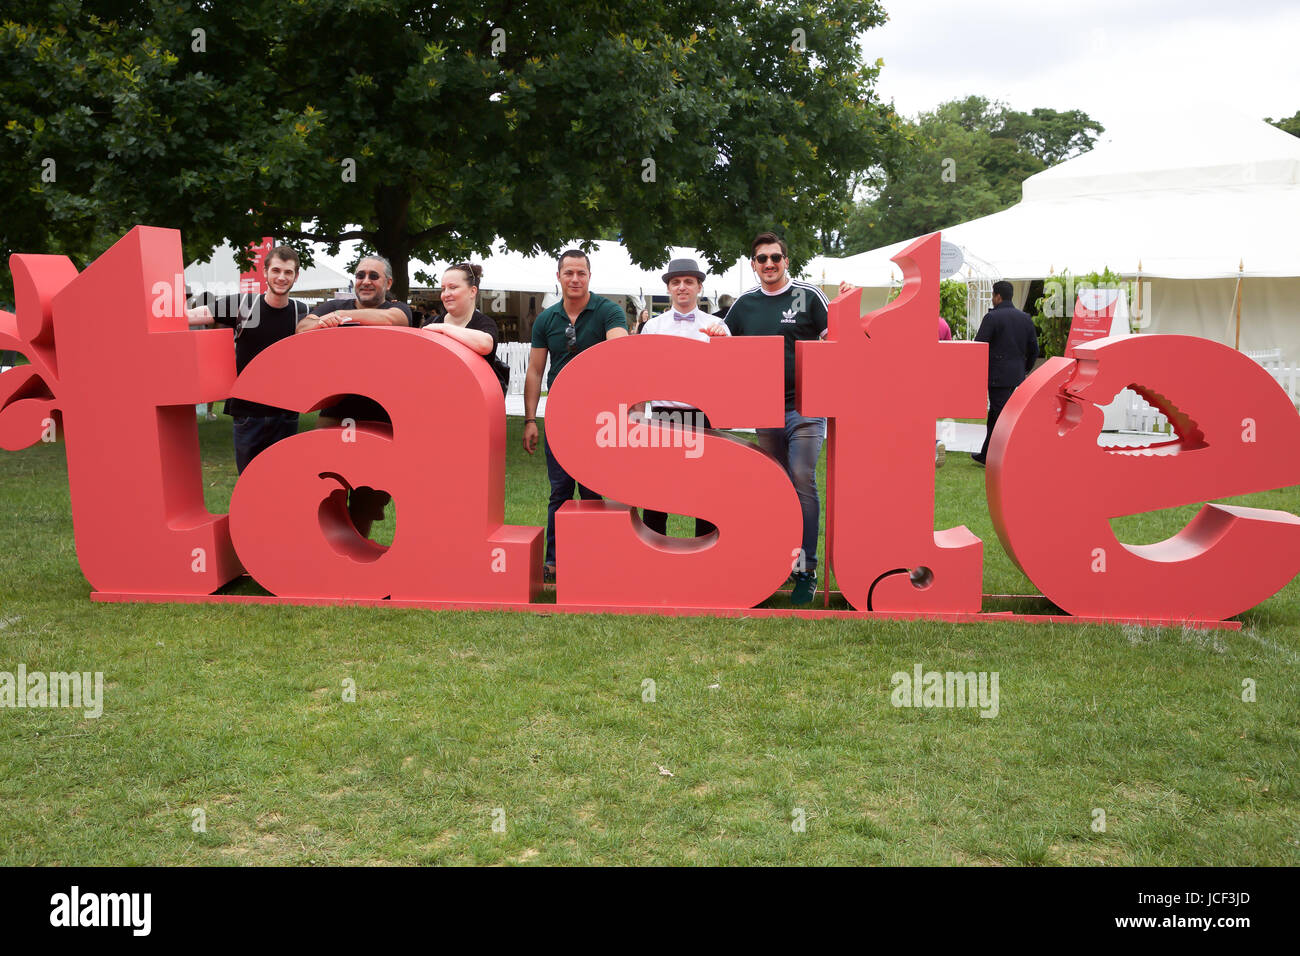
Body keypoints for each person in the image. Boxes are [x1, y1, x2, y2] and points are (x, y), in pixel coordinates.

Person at [725, 231, 829, 605]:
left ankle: (807, 570)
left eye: (775, 257)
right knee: (775, 486)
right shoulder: (744, 305)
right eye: (761, 259)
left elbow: (838, 338)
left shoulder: (808, 296)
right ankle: (776, 563)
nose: (769, 264)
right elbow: (721, 343)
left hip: (805, 407)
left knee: (802, 477)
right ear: (753, 265)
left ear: (787, 261)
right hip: (765, 410)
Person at [522, 249, 629, 582]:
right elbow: (535, 371)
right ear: (558, 277)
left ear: (589, 277)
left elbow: (620, 349)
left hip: (597, 416)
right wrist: (529, 419)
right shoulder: (546, 319)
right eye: (568, 273)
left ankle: (595, 553)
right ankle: (555, 559)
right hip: (560, 414)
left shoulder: (609, 311)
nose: (575, 279)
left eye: (581, 273)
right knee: (560, 490)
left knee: (594, 488)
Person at [296, 255, 412, 536]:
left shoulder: (399, 308)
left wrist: (336, 320)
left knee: (367, 495)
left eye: (374, 276)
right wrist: (331, 316)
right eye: (361, 275)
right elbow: (302, 329)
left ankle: (356, 553)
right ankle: (324, 553)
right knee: (323, 484)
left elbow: (389, 320)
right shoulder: (333, 305)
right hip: (336, 409)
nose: (366, 281)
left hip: (380, 416)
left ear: (388, 282)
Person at [187, 245, 308, 472]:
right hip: (248, 414)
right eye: (276, 270)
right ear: (265, 272)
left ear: (296, 276)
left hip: (286, 414)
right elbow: (193, 315)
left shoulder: (301, 311)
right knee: (249, 486)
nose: (282, 277)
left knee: (283, 484)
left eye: (288, 272)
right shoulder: (243, 304)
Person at [637, 257, 730, 537]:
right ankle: (653, 552)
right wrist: (639, 418)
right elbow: (641, 377)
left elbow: (730, 375)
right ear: (668, 288)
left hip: (703, 418)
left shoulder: (718, 327)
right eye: (675, 282)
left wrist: (721, 345)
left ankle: (706, 552)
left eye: (688, 281)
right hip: (664, 416)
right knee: (657, 493)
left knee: (705, 493)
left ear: (699, 286)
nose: (682, 287)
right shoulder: (652, 327)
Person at [972, 280, 1038, 467]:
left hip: (996, 375)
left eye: (993, 296)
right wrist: (1024, 369)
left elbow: (979, 347)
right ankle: (986, 454)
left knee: (1001, 416)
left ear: (998, 296)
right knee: (995, 414)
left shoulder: (992, 318)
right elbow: (1034, 348)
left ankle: (1007, 454)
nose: (993, 299)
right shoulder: (1025, 318)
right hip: (1015, 374)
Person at [425, 263, 510, 396]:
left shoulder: (484, 323)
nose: (446, 294)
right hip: (436, 399)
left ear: (472, 291)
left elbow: (485, 344)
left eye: (453, 287)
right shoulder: (431, 322)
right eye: (443, 289)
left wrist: (444, 328)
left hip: (474, 402)